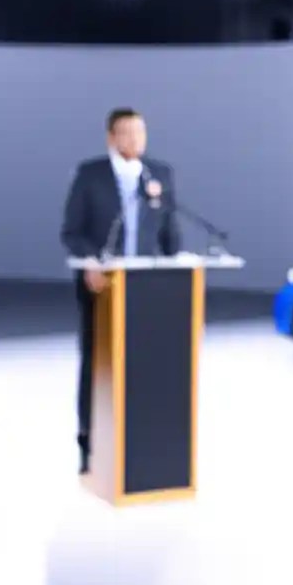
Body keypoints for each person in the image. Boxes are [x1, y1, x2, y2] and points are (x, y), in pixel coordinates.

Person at [60, 107, 181, 474]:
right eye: (127, 133)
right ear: (111, 137)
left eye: (140, 132)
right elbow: (71, 232)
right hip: (101, 286)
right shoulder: (90, 174)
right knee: (96, 366)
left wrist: (161, 207)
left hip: (145, 290)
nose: (135, 140)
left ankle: (140, 446)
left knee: (143, 365)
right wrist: (90, 261)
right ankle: (89, 443)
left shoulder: (159, 175)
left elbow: (170, 240)